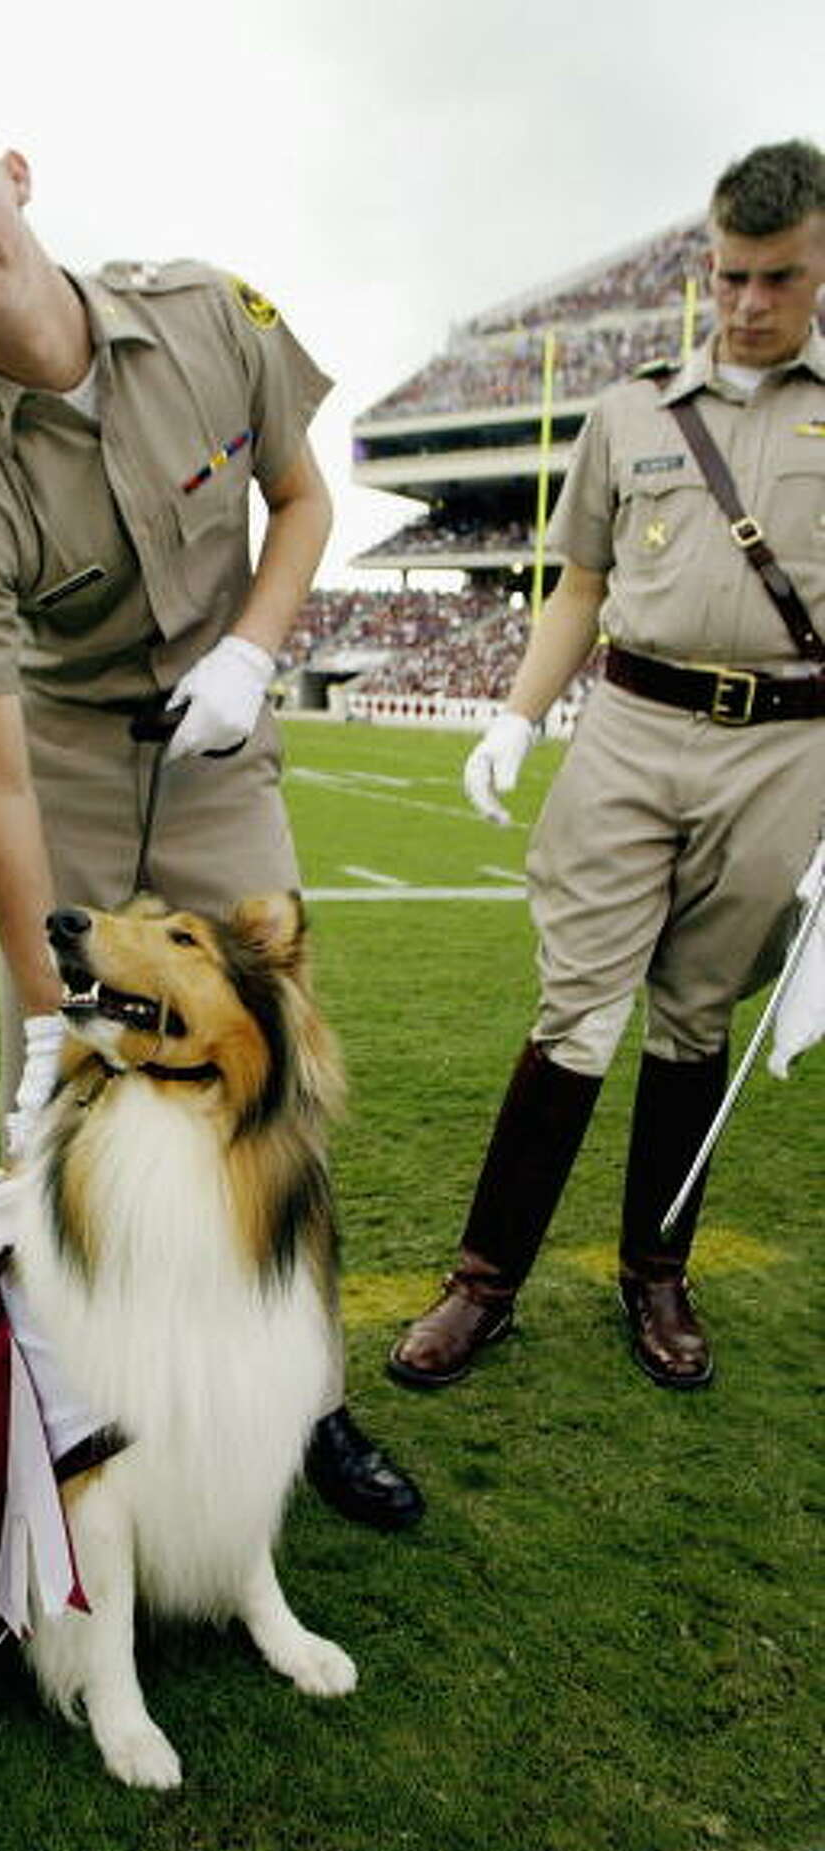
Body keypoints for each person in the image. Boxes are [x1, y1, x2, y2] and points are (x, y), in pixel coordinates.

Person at [0, 72, 420, 1530]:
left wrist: (253, 648)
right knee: (71, 1119)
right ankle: (86, 1413)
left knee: (265, 1081)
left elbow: (306, 501)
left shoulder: (212, 314)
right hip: (76, 761)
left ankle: (314, 1398)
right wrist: (44, 1012)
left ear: (12, 172)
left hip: (220, 746)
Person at [389, 138, 825, 1395]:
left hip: (786, 747)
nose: (746, 304)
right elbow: (579, 583)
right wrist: (517, 715)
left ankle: (656, 1272)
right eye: (731, 275)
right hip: (631, 731)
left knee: (694, 1016)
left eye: (778, 279)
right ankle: (485, 1283)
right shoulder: (633, 409)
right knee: (575, 1007)